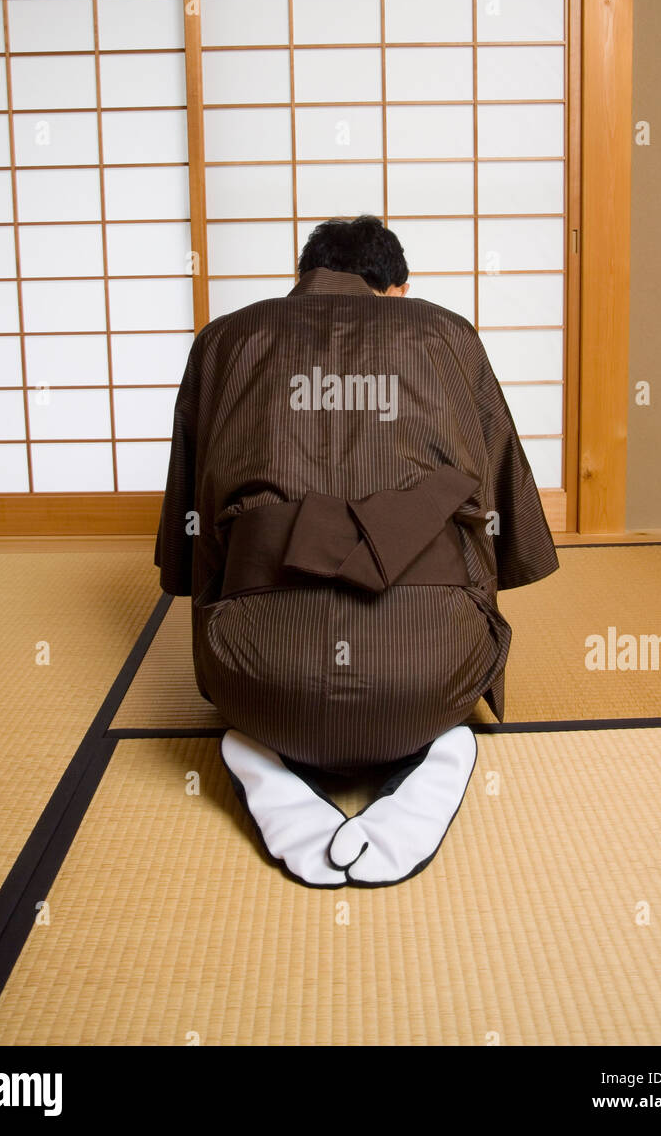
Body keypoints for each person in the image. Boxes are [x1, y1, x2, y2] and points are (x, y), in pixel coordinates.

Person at [154, 216, 559, 888]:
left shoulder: (225, 339)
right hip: (432, 679)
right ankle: (440, 748)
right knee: (440, 647)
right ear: (395, 290)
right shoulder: (446, 333)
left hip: (258, 682)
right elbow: (501, 529)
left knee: (253, 661)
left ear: (302, 276)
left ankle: (262, 753)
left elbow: (191, 551)